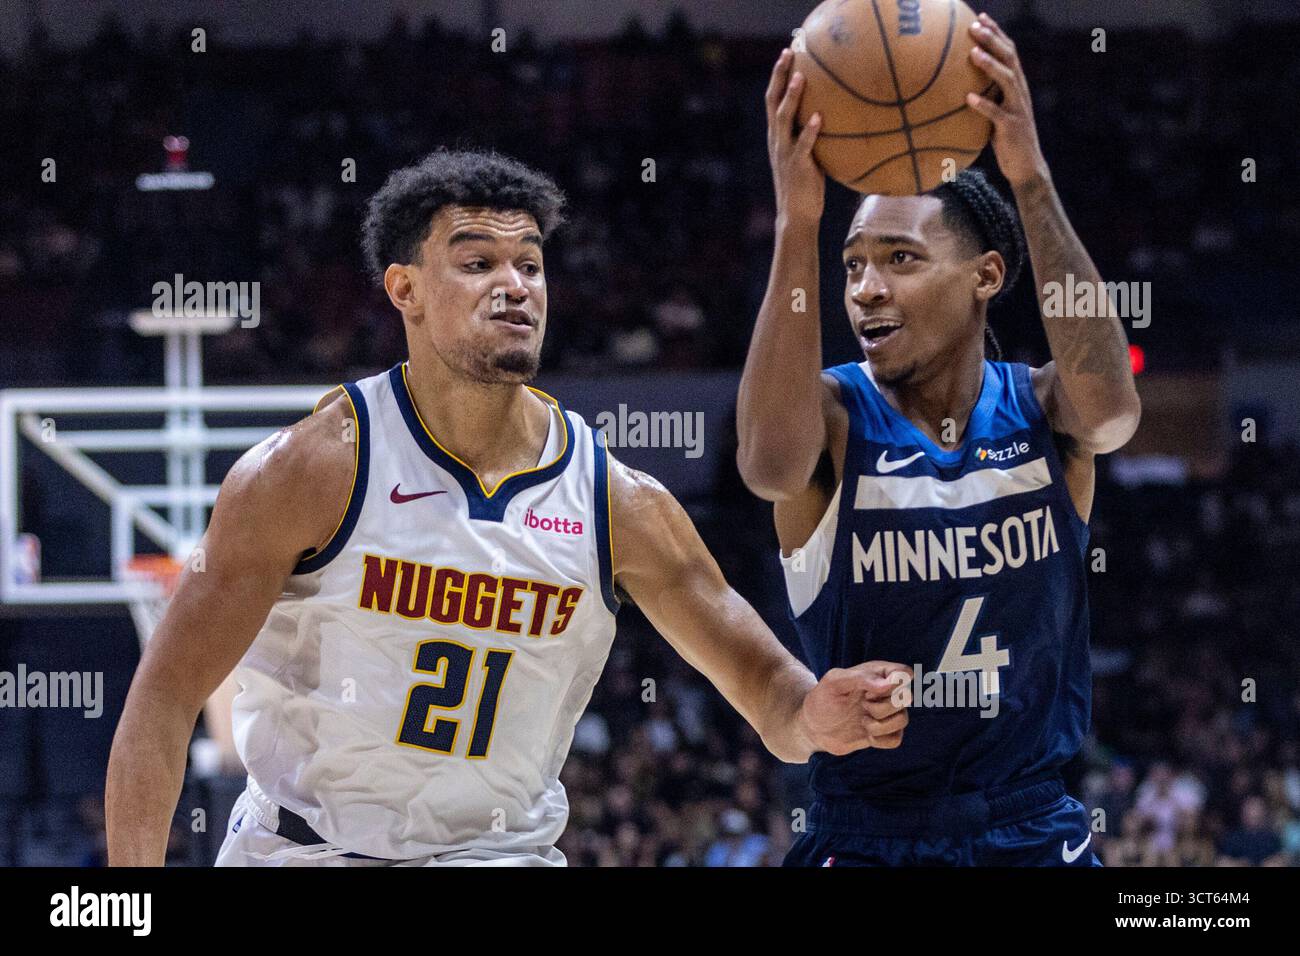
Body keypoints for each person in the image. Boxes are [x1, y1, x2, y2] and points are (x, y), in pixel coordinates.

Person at [105, 148, 911, 867]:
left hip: (498, 853)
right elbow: (165, 698)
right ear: (405, 289)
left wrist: (816, 711)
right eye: (478, 261)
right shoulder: (307, 473)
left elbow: (768, 694)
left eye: (530, 263)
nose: (514, 285)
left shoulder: (615, 501)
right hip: (304, 851)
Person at [737, 13, 1141, 866]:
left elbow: (1111, 411)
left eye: (901, 260)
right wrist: (796, 226)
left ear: (986, 275)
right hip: (866, 830)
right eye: (852, 265)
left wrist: (1029, 178)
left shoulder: (1042, 412)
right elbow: (768, 465)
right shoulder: (836, 421)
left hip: (1034, 825)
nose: (866, 290)